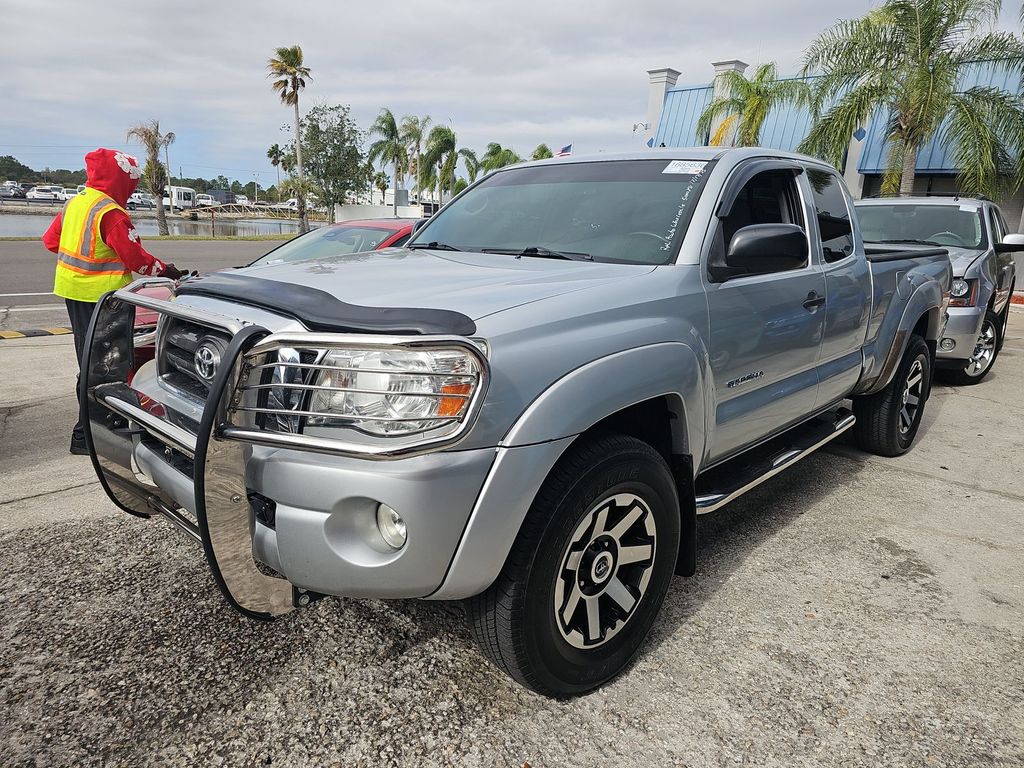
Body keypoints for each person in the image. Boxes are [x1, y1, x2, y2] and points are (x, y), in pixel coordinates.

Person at [42, 148, 187, 455]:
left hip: (73, 292)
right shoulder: (110, 213)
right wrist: (166, 270)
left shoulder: (76, 204)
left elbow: (51, 241)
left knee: (88, 360)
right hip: (105, 299)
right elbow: (135, 257)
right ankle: (94, 433)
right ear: (122, 180)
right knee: (108, 366)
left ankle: (87, 433)